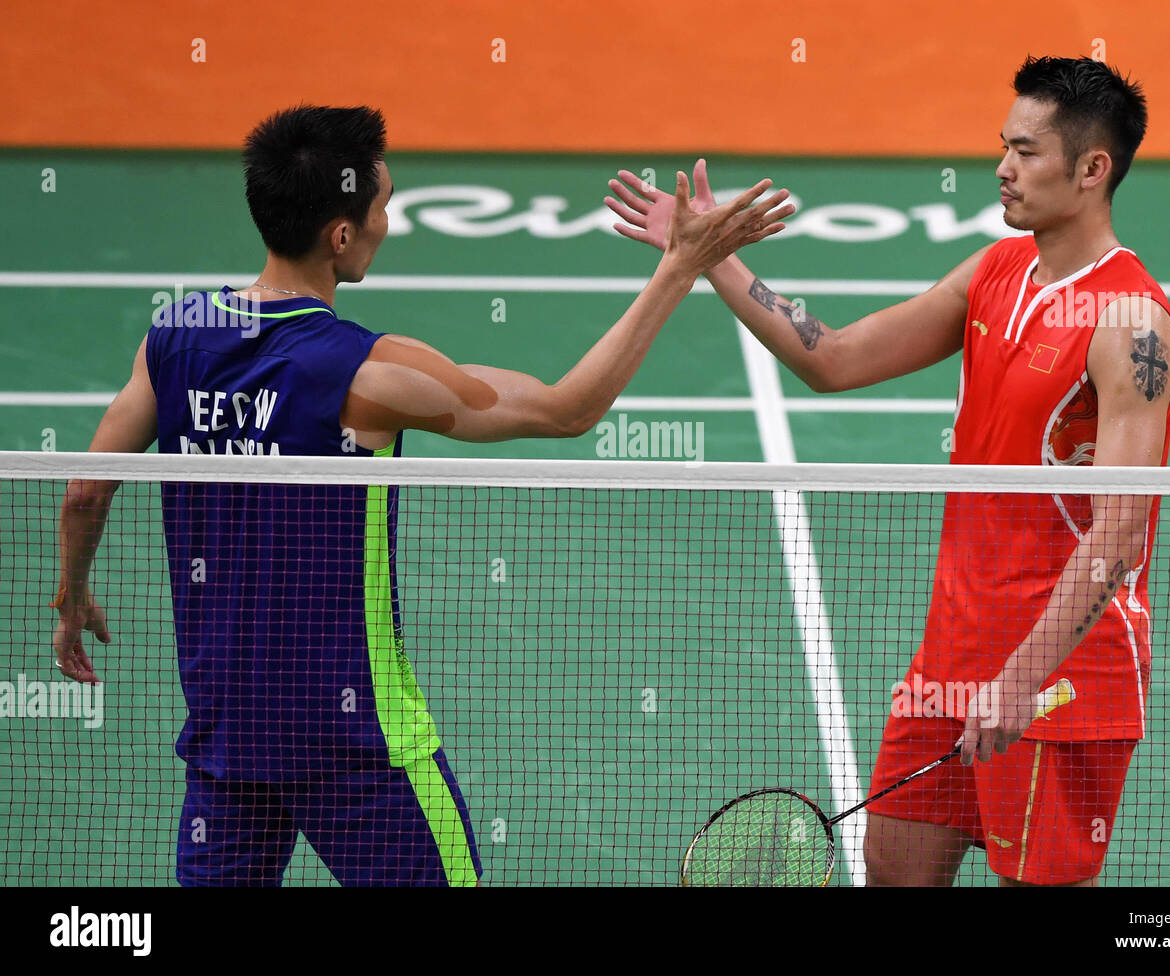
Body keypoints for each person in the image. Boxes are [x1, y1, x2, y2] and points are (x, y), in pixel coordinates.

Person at [50, 104, 792, 886]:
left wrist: (72, 595)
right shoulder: (369, 374)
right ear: (341, 234)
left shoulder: (173, 339)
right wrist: (679, 266)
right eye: (385, 205)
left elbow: (85, 494)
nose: (389, 221)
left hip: (231, 745)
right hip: (361, 752)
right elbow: (567, 408)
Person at [606, 55, 1170, 886]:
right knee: (895, 870)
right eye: (1003, 146)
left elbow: (1120, 532)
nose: (1002, 168)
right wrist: (708, 254)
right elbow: (833, 359)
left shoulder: (1131, 326)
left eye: (1026, 151)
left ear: (1093, 169)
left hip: (1062, 680)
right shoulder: (994, 273)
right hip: (948, 662)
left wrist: (1020, 683)